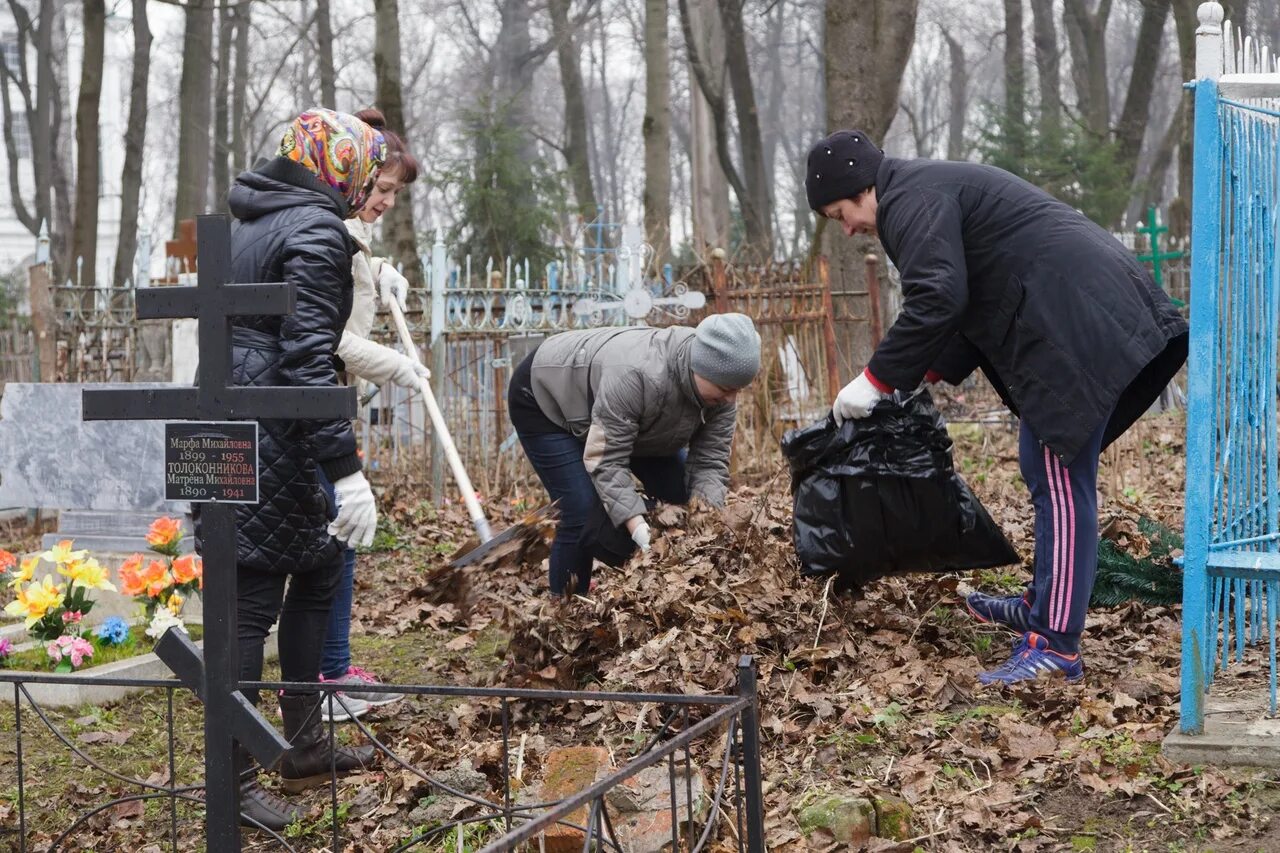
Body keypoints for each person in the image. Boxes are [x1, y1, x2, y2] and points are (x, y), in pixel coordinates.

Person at [805, 130, 1188, 686]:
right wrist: (922, 374)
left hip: (1078, 319)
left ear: (861, 187)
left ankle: (1055, 644)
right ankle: (1043, 608)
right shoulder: (922, 190)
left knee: (1058, 475)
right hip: (1077, 312)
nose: (848, 228)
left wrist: (876, 378)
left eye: (841, 213)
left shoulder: (909, 200)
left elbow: (938, 296)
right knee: (1046, 468)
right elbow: (972, 294)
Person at [226, 108, 384, 829]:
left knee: (318, 567)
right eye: (364, 171)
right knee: (252, 599)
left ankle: (301, 740)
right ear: (337, 167)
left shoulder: (251, 219)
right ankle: (231, 785)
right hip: (274, 429)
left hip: (233, 416)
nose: (366, 185)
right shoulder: (315, 230)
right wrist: (345, 468)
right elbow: (307, 357)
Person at [508, 315, 761, 597]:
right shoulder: (636, 375)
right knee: (580, 509)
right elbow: (606, 458)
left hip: (632, 419)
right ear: (698, 368)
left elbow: (710, 461)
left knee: (680, 495)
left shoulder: (721, 391)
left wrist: (707, 523)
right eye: (726, 390)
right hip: (546, 399)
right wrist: (638, 526)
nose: (731, 399)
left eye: (738, 390)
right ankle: (568, 612)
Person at [313, 107, 422, 721]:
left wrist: (380, 271)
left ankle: (334, 668)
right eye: (381, 189)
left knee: (341, 539)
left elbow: (349, 282)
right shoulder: (325, 230)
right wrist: (395, 365)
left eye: (393, 195)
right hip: (317, 394)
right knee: (337, 537)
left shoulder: (351, 234)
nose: (384, 203)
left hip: (329, 396)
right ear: (353, 177)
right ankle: (328, 679)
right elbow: (325, 336)